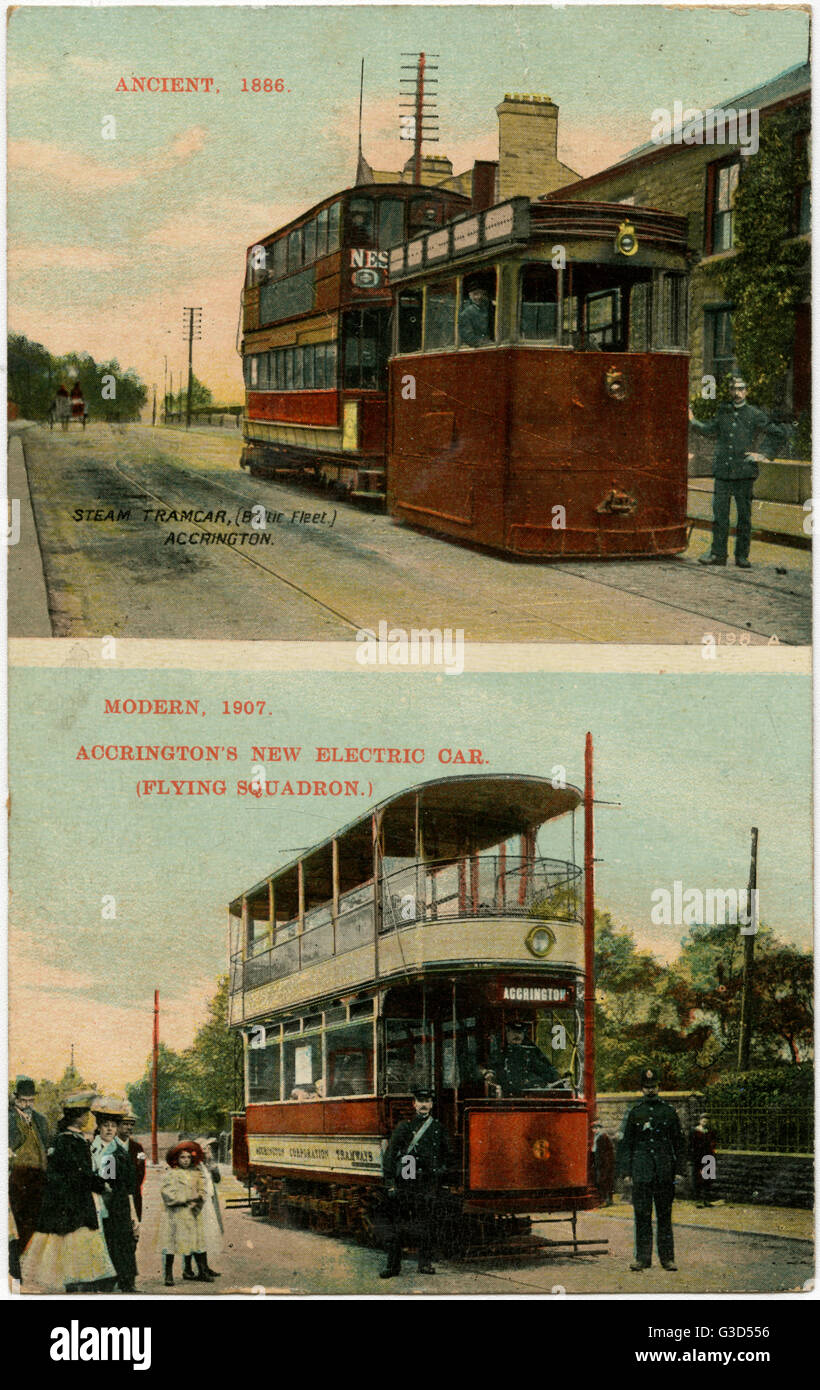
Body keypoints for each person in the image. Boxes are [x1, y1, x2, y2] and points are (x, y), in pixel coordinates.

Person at [20, 1092, 116, 1293]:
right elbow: (80, 1172)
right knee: (76, 1242)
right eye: (85, 1114)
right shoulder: (70, 1140)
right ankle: (76, 1285)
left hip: (67, 1200)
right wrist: (100, 1185)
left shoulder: (66, 1138)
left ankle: (76, 1284)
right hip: (74, 1202)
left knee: (71, 1243)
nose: (87, 1118)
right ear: (77, 1116)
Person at [689, 377, 787, 569]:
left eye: (741, 389)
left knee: (744, 517)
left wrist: (763, 454)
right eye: (734, 389)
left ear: (747, 391)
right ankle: (718, 554)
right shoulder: (723, 413)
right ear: (730, 391)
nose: (737, 392)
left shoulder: (755, 414)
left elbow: (779, 433)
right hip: (723, 473)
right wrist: (692, 420)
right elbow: (709, 430)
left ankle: (742, 556)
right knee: (720, 516)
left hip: (744, 473)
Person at [617, 1067, 686, 1272]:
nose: (650, 1090)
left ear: (659, 1087)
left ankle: (668, 1259)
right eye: (647, 1087)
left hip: (664, 1172)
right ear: (641, 1089)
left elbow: (679, 1143)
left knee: (665, 1216)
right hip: (642, 1173)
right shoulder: (635, 1113)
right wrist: (627, 1172)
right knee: (642, 1216)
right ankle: (642, 1259)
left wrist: (680, 1171)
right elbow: (626, 1144)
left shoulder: (669, 1111)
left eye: (653, 1086)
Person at [379, 1087, 453, 1278]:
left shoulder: (438, 1128)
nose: (423, 1105)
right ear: (414, 1104)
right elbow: (390, 1156)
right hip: (406, 1182)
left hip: (427, 1184)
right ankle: (393, 1267)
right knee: (398, 1226)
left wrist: (440, 1172)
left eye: (427, 1101)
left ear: (432, 1104)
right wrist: (390, 1182)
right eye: (420, 1101)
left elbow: (448, 1155)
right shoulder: (405, 1127)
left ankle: (425, 1264)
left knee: (427, 1225)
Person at [91, 1096, 140, 1293]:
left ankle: (127, 1283)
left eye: (113, 1125)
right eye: (106, 1125)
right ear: (99, 1128)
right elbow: (102, 1180)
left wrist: (133, 1212)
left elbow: (128, 1185)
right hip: (99, 1201)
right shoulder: (93, 1149)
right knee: (104, 1244)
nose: (110, 1129)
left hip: (118, 1203)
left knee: (124, 1243)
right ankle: (105, 1283)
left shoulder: (119, 1151)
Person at [8, 1075, 50, 1275]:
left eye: (30, 1100)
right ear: (15, 1098)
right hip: (18, 1177)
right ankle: (16, 1269)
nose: (27, 1104)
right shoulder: (8, 1119)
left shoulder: (41, 1120)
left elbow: (47, 1145)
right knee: (19, 1223)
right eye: (23, 1100)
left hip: (39, 1177)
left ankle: (29, 1267)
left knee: (36, 1222)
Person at [158, 1140, 211, 1286]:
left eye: (188, 1157)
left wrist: (199, 1199)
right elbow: (167, 1194)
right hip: (177, 1213)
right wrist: (186, 1198)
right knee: (172, 1243)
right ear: (176, 1159)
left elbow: (203, 1190)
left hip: (193, 1212)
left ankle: (197, 1270)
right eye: (182, 1157)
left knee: (196, 1241)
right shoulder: (172, 1174)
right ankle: (168, 1275)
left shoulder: (196, 1174)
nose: (186, 1160)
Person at [483, 1019, 559, 1096]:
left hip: (528, 1097)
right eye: (514, 1032)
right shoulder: (499, 1054)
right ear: (507, 1032)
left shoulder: (532, 1054)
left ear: (523, 1035)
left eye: (520, 1032)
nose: (517, 1035)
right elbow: (490, 1070)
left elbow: (549, 1073)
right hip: (506, 1098)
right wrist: (489, 1074)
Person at [193, 1135, 223, 1279]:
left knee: (206, 1236)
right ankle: (200, 1270)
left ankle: (205, 1267)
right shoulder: (195, 1165)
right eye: (204, 1148)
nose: (207, 1150)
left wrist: (212, 1164)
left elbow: (217, 1179)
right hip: (199, 1204)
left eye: (208, 1148)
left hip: (208, 1202)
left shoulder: (206, 1165)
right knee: (199, 1237)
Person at [117, 1105, 146, 1222]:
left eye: (131, 1124)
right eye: (125, 1124)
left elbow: (142, 1171)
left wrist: (132, 1187)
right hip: (117, 1197)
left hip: (134, 1195)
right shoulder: (110, 1147)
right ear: (117, 1126)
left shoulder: (139, 1148)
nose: (129, 1127)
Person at [690, 1113, 718, 1207]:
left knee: (708, 1179)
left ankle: (706, 1200)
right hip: (697, 1157)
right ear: (700, 1121)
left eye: (707, 1121)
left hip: (708, 1157)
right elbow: (691, 1145)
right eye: (703, 1120)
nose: (705, 1123)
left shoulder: (710, 1132)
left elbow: (713, 1143)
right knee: (697, 1179)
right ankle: (698, 1200)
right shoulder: (694, 1131)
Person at [591, 1120, 616, 1206]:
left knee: (605, 1182)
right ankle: (604, 1199)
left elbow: (608, 1152)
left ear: (600, 1129)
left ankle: (607, 1200)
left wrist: (606, 1163)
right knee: (601, 1182)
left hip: (604, 1163)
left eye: (597, 1128)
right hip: (599, 1162)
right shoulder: (596, 1137)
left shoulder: (603, 1137)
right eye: (594, 1128)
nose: (595, 1130)